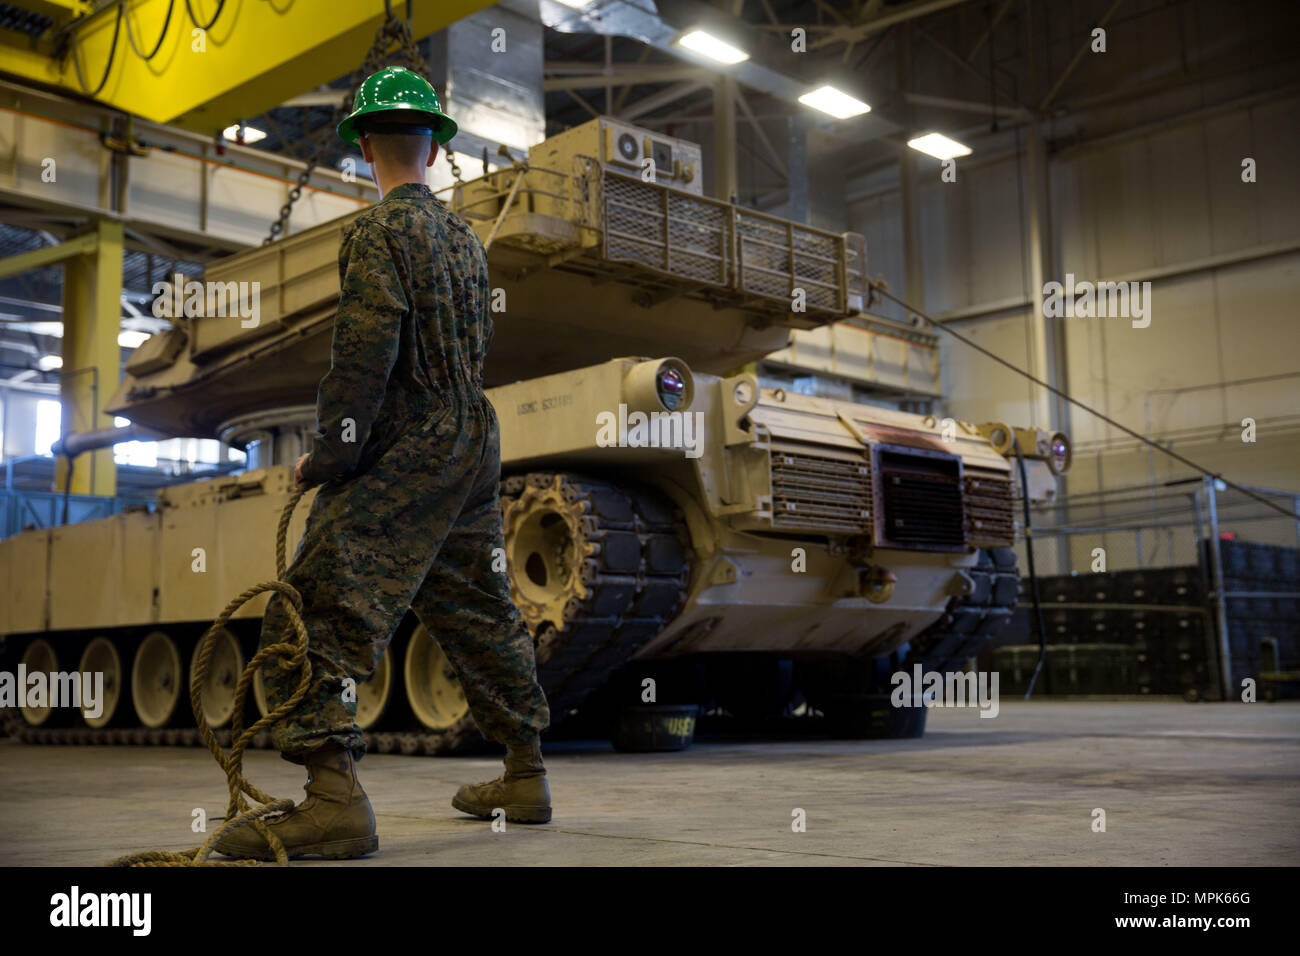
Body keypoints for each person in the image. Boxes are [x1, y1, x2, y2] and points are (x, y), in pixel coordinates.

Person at [216, 66, 551, 861]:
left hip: (414, 440)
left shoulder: (377, 233)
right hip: (474, 433)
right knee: (477, 605)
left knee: (318, 602)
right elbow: (469, 348)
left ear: (366, 149)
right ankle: (525, 771)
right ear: (433, 148)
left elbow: (366, 354)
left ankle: (333, 800)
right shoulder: (467, 240)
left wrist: (331, 453)